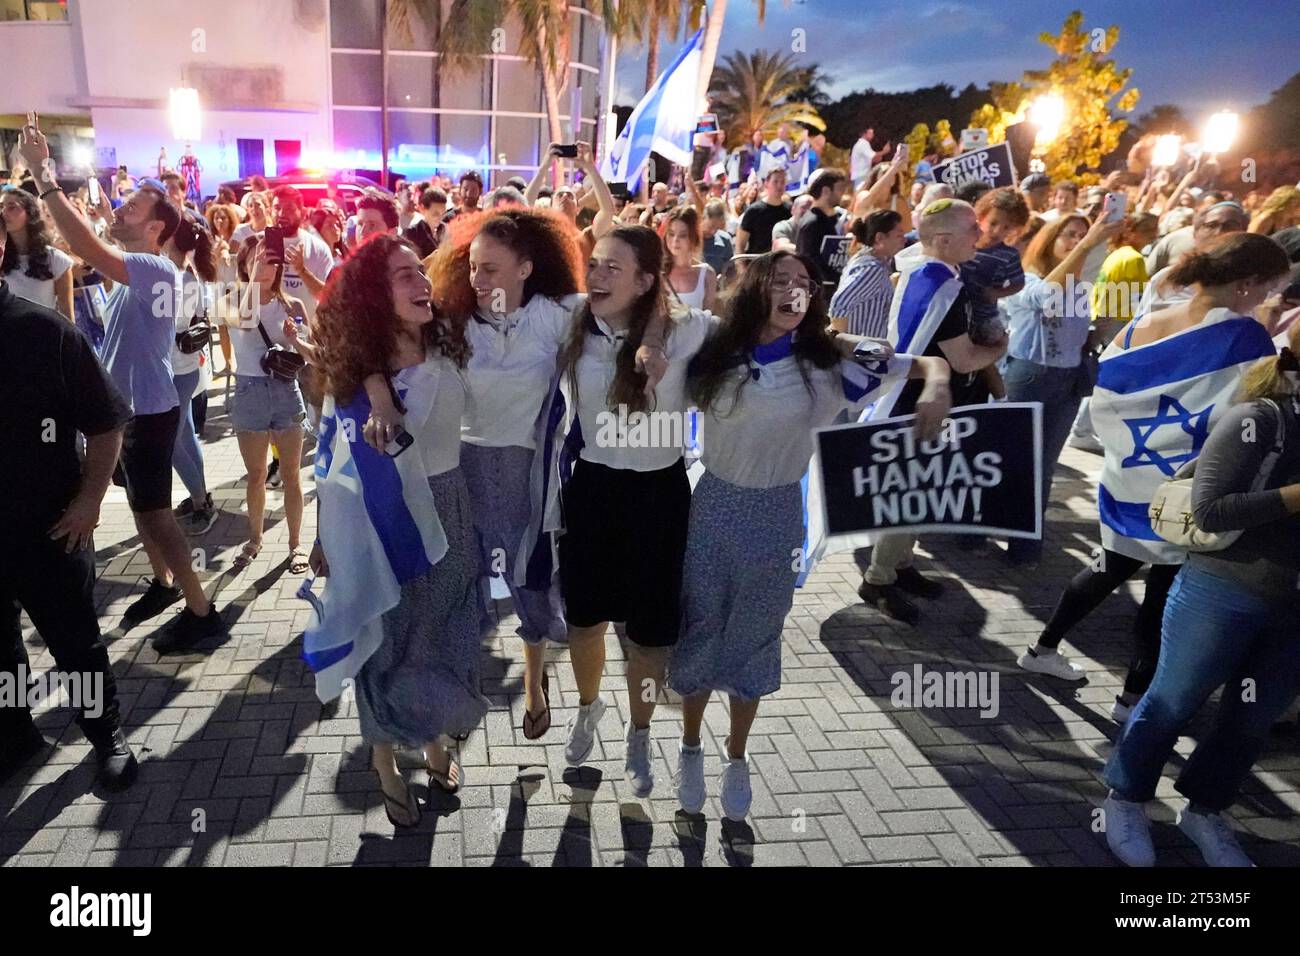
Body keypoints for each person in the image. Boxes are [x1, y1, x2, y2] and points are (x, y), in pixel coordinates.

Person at [668, 251, 952, 820]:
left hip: (778, 516)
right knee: (700, 628)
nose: (794, 290)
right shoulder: (715, 350)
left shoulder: (828, 365)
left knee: (755, 635)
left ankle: (738, 757)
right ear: (755, 291)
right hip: (712, 507)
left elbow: (923, 364)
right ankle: (691, 748)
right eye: (781, 281)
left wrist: (938, 385)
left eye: (804, 282)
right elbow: (653, 320)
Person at [366, 211, 668, 744]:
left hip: (532, 478)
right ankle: (455, 703)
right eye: (473, 268)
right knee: (461, 595)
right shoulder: (451, 320)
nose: (478, 281)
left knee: (532, 588)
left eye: (491, 269)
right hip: (461, 477)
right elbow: (367, 340)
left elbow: (650, 304)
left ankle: (534, 687)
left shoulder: (559, 316)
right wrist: (376, 396)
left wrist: (653, 345)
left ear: (526, 268)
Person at [1018, 233, 1289, 714]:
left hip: (1127, 475)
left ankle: (1041, 649)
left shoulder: (1143, 323)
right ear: (1247, 284)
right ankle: (1131, 699)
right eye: (1268, 290)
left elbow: (1110, 401)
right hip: (1179, 490)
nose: (1268, 300)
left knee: (1106, 567)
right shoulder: (1245, 338)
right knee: (1161, 594)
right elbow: (1262, 404)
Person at [21, 120, 223, 651]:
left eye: (131, 208)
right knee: (141, 507)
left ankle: (203, 611)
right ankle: (163, 585)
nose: (119, 210)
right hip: (132, 409)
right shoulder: (143, 270)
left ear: (157, 229)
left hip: (150, 413)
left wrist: (45, 176)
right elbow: (81, 242)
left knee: (156, 513)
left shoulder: (154, 268)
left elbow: (85, 245)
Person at [1103, 327, 1300, 868]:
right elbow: (1210, 511)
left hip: (1293, 608)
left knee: (1251, 718)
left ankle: (1205, 810)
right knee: (1173, 701)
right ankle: (1124, 798)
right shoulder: (1260, 418)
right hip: (1224, 588)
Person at [309, 234, 489, 825]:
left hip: (451, 506)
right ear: (372, 295)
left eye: (421, 271)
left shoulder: (448, 338)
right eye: (403, 275)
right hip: (385, 519)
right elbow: (331, 457)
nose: (422, 283)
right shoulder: (356, 374)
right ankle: (385, 761)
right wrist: (322, 536)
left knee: (446, 629)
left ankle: (434, 738)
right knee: (387, 639)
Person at [552, 226, 710, 794]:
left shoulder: (689, 331)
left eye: (613, 268)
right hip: (593, 489)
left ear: (647, 280)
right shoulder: (572, 320)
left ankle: (640, 732)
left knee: (650, 633)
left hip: (659, 496)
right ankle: (589, 707)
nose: (595, 276)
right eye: (593, 264)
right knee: (584, 619)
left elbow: (760, 336)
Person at [0, 214, 139, 790]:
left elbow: (106, 423)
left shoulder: (46, 332)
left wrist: (89, 501)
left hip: (50, 526)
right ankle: (15, 735)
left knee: (75, 643)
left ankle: (105, 735)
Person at [857, 199, 1008, 624]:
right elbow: (963, 360)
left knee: (917, 495)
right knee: (908, 497)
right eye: (972, 229)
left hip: (910, 397)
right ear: (943, 240)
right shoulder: (945, 286)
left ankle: (901, 566)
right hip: (918, 405)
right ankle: (879, 579)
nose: (981, 235)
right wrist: (1001, 347)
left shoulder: (919, 269)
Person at [1001, 213, 1123, 566]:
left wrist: (1099, 330)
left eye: (1082, 235)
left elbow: (1077, 331)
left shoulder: (1083, 286)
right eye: (1068, 235)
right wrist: (1088, 244)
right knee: (1015, 460)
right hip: (1029, 375)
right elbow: (1046, 296)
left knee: (1043, 465)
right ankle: (983, 531)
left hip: (1068, 378)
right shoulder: (1024, 279)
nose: (1076, 240)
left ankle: (1025, 547)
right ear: (1049, 240)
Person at [227, 236, 313, 574]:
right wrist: (250, 275)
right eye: (258, 260)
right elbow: (245, 323)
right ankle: (255, 538)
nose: (266, 267)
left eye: (272, 261)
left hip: (284, 390)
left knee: (291, 474)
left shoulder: (293, 305)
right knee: (257, 475)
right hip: (248, 391)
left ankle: (296, 545)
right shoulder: (230, 301)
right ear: (245, 263)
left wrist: (296, 339)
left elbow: (308, 355)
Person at [1069, 213, 1161, 454]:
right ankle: (1082, 429)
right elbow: (1129, 298)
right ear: (1131, 231)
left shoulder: (1116, 255)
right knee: (1105, 380)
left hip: (1106, 319)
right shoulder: (1133, 258)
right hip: (1117, 323)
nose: (1154, 234)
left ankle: (1083, 428)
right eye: (1149, 229)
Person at [165, 211, 219, 536]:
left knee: (172, 444)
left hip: (175, 371)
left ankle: (201, 503)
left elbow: (167, 326)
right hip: (183, 369)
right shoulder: (190, 274)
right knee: (185, 434)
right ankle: (199, 496)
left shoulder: (176, 278)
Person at [1139, 202, 1249, 314]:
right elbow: (1140, 327)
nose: (1219, 233)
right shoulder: (1165, 279)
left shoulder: (1251, 285)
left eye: (1230, 226)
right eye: (1211, 225)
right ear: (1196, 233)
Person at [829, 209, 905, 338]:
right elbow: (840, 302)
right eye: (899, 235)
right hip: (863, 352)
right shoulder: (872, 268)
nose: (904, 240)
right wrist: (840, 341)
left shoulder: (869, 259)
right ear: (880, 238)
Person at [1, 186, 74, 318]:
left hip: (43, 334)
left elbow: (67, 315)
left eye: (12, 207)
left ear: (29, 213)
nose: (4, 212)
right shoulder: (1, 257)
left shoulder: (56, 260)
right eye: (1, 207)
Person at [270, 185, 336, 316]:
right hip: (267, 332)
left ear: (302, 212)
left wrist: (301, 271)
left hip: (304, 332)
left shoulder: (318, 248)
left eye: (289, 209)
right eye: (277, 208)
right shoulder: (258, 244)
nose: (281, 214)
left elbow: (328, 297)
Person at [795, 167, 850, 289]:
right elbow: (809, 260)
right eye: (839, 189)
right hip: (817, 291)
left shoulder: (832, 220)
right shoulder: (812, 223)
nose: (843, 194)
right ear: (825, 191)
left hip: (832, 288)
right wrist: (837, 278)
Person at [661, 205, 718, 312]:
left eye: (682, 235)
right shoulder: (657, 272)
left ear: (693, 237)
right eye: (671, 234)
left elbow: (708, 320)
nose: (675, 240)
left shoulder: (707, 274)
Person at [206, 202, 240, 374]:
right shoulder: (211, 240)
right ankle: (227, 364)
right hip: (218, 287)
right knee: (221, 327)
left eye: (223, 218)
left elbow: (229, 254)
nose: (219, 221)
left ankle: (239, 363)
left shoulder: (236, 238)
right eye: (216, 218)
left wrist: (226, 253)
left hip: (234, 288)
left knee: (236, 327)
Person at [735, 167, 790, 256]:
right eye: (775, 181)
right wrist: (741, 267)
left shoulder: (789, 210)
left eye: (782, 182)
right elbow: (740, 245)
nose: (779, 185)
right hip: (757, 264)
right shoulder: (753, 211)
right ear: (766, 184)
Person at [404, 185, 447, 259]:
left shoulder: (446, 229)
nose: (440, 218)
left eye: (443, 214)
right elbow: (410, 265)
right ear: (423, 208)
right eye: (435, 214)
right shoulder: (411, 233)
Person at [700, 199, 734, 276]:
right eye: (711, 226)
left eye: (717, 228)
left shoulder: (725, 240)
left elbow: (730, 270)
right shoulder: (690, 239)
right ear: (703, 218)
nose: (713, 231)